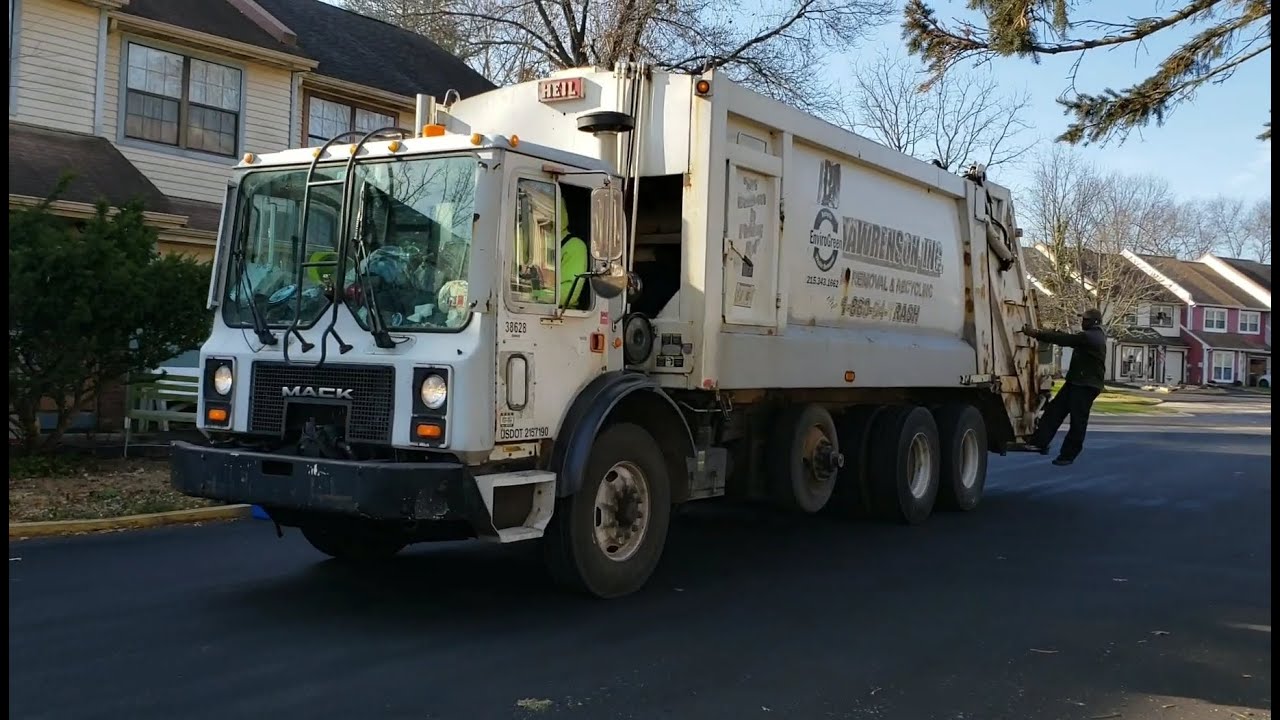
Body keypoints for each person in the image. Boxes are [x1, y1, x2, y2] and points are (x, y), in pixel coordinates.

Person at [1020, 308, 1107, 466]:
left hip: (1086, 385)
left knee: (1078, 421)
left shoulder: (1091, 336)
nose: (1082, 322)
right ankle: (1039, 442)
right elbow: (1067, 338)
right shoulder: (1093, 335)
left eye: (1085, 319)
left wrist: (1037, 334)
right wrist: (1052, 333)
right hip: (1077, 382)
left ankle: (1068, 454)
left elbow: (1066, 340)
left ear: (1094, 321)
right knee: (1054, 411)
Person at [557, 197, 588, 310]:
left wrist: (535, 295)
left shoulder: (575, 246)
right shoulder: (527, 240)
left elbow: (569, 295)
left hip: (561, 318)